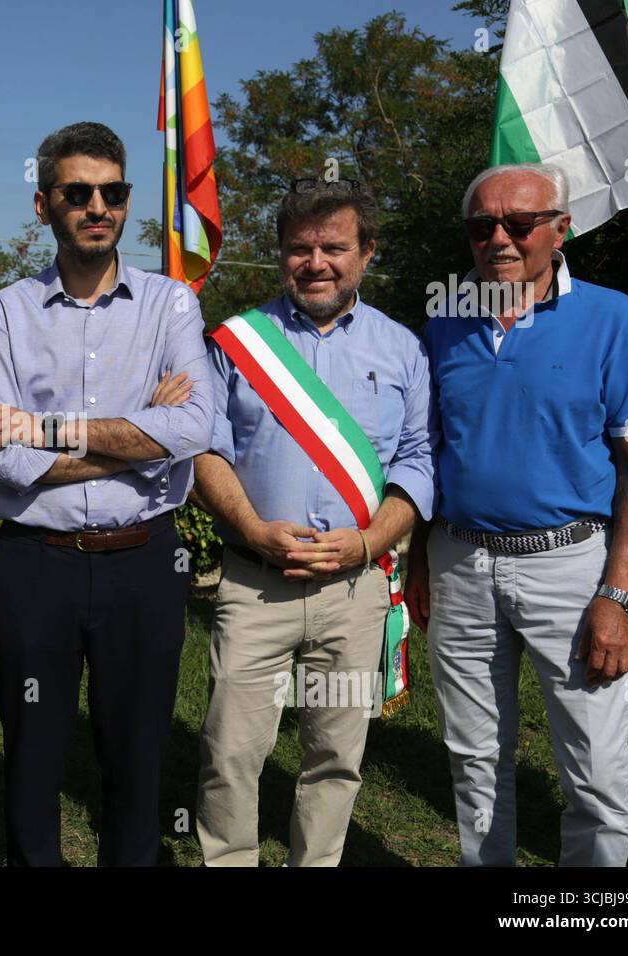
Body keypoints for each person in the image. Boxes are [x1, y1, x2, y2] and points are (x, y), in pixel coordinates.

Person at [405, 162, 628, 866]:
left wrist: (620, 592)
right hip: (458, 561)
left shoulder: (611, 317)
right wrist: (418, 560)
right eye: (482, 226)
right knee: (473, 757)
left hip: (572, 566)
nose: (499, 238)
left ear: (560, 230)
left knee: (595, 766)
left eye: (518, 224)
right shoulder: (445, 319)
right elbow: (429, 451)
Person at [0, 121, 214, 866]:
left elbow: (194, 427)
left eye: (112, 192)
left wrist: (41, 429)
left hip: (144, 563)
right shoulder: (4, 313)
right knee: (33, 757)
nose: (97, 206)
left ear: (128, 201)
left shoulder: (171, 305)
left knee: (138, 759)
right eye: (77, 192)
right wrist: (142, 446)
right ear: (45, 205)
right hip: (33, 563)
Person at [191, 179, 433, 866]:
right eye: (300, 249)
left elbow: (419, 460)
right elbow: (206, 452)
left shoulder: (401, 349)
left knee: (336, 755)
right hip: (254, 584)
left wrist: (368, 542)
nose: (316, 262)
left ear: (366, 253)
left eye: (334, 247)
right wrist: (249, 526)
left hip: (354, 593)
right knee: (231, 754)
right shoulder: (237, 344)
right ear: (279, 254)